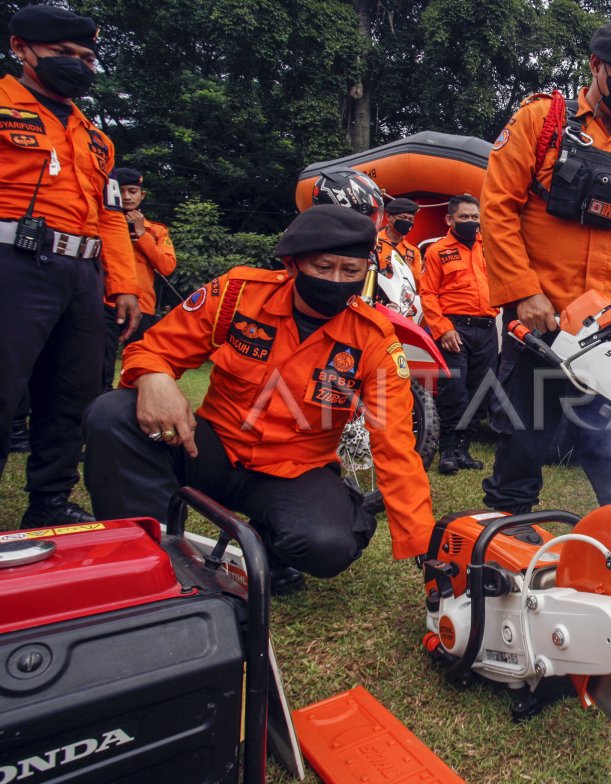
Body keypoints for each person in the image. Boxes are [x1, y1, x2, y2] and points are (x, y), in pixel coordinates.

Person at [82, 205, 435, 594]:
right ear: (292, 264)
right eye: (323, 267)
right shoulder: (238, 294)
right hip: (210, 451)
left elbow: (395, 446)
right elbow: (155, 348)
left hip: (294, 470)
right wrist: (153, 375)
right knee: (113, 413)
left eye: (350, 272)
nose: (336, 280)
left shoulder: (374, 341)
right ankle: (147, 553)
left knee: (328, 544)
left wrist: (424, 545)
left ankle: (269, 551)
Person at [480, 16, 611, 514]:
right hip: (541, 324)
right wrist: (523, 291)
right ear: (596, 66)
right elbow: (498, 207)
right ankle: (506, 541)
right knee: (524, 445)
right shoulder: (540, 121)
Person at [1, 5, 142, 527]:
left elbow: (110, 219)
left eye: (86, 58)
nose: (78, 66)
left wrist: (124, 285)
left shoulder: (95, 138)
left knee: (72, 397)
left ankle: (50, 504)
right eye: (64, 55)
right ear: (21, 48)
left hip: (83, 276)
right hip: (13, 264)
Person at [420, 194, 498, 474]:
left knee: (480, 390)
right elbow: (427, 293)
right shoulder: (437, 251)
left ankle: (464, 450)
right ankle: (448, 451)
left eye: (474, 217)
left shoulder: (489, 247)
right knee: (454, 390)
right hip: (454, 329)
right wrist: (443, 330)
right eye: (464, 217)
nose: (470, 222)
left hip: (487, 329)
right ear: (450, 219)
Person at [101, 167, 177, 389]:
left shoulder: (156, 230)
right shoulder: (102, 224)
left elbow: (167, 266)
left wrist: (141, 234)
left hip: (143, 307)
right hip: (106, 302)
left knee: (140, 362)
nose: (126, 197)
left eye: (132, 191)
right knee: (99, 363)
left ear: (141, 194)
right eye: (121, 191)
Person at [378, 196, 422, 277]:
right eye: (403, 217)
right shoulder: (374, 242)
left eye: (411, 219)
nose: (407, 222)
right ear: (388, 217)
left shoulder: (413, 251)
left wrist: (409, 270)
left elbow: (420, 283)